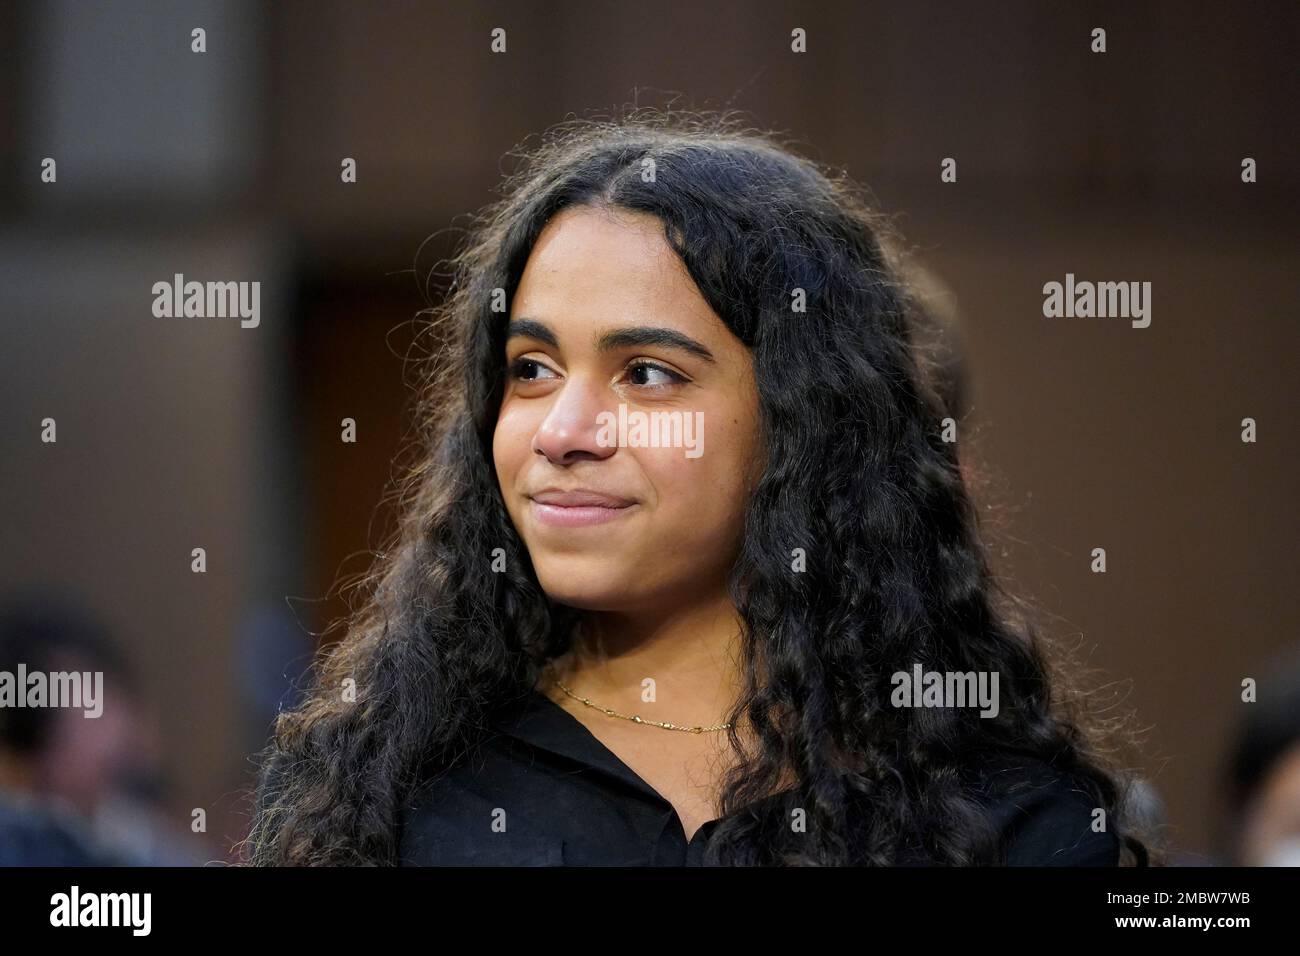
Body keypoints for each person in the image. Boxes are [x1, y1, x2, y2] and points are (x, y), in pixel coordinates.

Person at [246, 110, 1150, 866]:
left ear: (803, 418)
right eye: (531, 369)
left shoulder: (1006, 820)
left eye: (646, 374)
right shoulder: (382, 792)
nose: (562, 433)